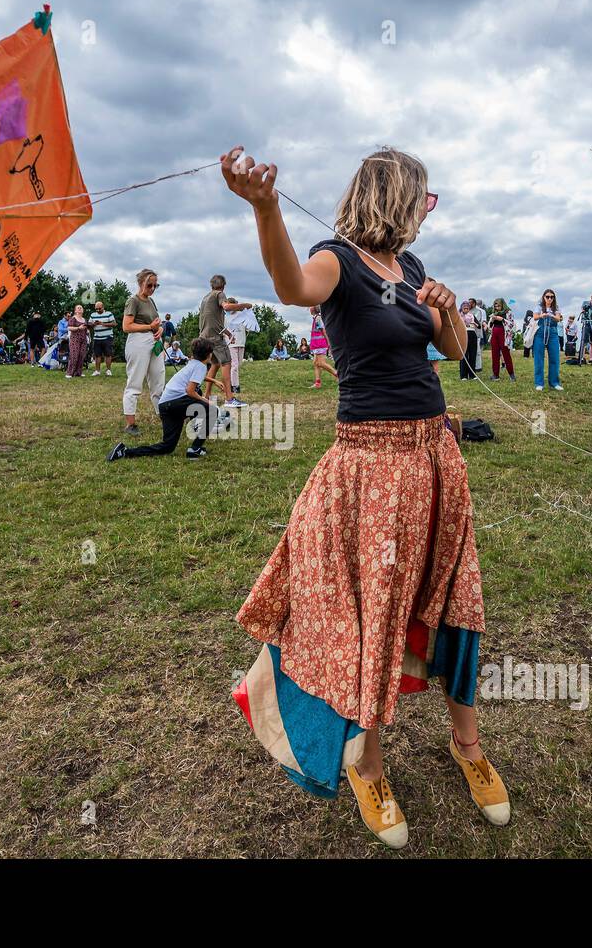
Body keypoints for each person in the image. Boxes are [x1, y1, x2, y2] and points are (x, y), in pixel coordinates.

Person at [220, 144, 507, 849]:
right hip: (370, 469)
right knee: (373, 617)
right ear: (396, 196)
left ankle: (466, 745)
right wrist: (265, 210)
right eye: (425, 199)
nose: (426, 213)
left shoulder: (410, 269)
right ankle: (366, 765)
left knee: (454, 602)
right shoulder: (335, 259)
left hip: (436, 456)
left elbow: (452, 353)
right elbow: (293, 289)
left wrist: (446, 310)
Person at [107, 338, 221, 461]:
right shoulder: (201, 367)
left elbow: (195, 378)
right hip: (176, 403)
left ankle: (124, 452)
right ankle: (195, 448)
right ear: (208, 354)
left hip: (165, 405)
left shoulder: (193, 363)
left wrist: (214, 381)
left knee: (167, 446)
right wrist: (206, 401)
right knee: (212, 410)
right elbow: (190, 391)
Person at [121, 269, 166, 436]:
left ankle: (164, 416)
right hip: (138, 343)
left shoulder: (151, 301)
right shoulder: (133, 301)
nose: (153, 288)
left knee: (158, 380)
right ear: (141, 283)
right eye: (149, 285)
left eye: (155, 285)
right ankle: (130, 424)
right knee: (135, 383)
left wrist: (160, 329)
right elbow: (126, 326)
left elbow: (156, 322)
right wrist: (150, 327)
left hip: (154, 342)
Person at [198, 275, 246, 408]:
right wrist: (242, 306)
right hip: (215, 338)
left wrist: (228, 332)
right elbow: (226, 307)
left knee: (214, 365)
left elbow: (211, 320)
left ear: (211, 285)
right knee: (226, 363)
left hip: (204, 336)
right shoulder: (220, 294)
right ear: (223, 285)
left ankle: (206, 396)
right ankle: (229, 398)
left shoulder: (205, 298)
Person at [224, 296, 257, 402]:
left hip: (241, 342)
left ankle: (232, 383)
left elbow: (248, 326)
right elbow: (223, 329)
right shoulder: (225, 317)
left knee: (239, 364)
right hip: (231, 343)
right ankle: (235, 386)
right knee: (234, 365)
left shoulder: (242, 316)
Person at [531, 288, 563, 390]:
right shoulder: (539, 306)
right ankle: (539, 383)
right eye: (547, 297)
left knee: (554, 358)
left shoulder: (556, 307)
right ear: (544, 297)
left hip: (552, 332)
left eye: (552, 297)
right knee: (539, 358)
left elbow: (558, 318)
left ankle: (554, 382)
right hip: (540, 332)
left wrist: (551, 315)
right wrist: (542, 315)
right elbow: (535, 316)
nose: (549, 299)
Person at [308, 305, 338, 388]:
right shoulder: (316, 318)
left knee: (321, 363)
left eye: (311, 307)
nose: (309, 309)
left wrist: (329, 343)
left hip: (320, 344)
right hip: (317, 344)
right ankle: (318, 383)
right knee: (315, 363)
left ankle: (337, 374)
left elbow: (324, 331)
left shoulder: (318, 318)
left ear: (314, 309)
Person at [488, 297, 515, 379]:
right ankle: (495, 375)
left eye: (498, 306)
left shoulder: (508, 312)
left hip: (503, 334)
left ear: (503, 305)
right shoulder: (494, 313)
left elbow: (511, 324)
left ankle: (511, 374)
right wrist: (492, 320)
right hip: (494, 334)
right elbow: (490, 326)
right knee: (494, 354)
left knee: (506, 353)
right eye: (495, 306)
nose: (497, 308)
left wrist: (502, 319)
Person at [89, 301, 116, 376]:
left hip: (107, 337)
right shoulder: (93, 315)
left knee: (108, 354)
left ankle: (108, 370)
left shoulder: (109, 314)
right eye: (96, 309)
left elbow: (114, 324)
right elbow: (89, 325)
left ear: (103, 307)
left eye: (99, 308)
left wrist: (102, 323)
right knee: (97, 355)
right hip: (97, 337)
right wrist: (94, 324)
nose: (97, 310)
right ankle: (97, 371)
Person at [65, 304, 89, 379]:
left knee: (81, 355)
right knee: (74, 355)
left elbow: (86, 329)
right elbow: (69, 328)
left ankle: (78, 372)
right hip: (74, 339)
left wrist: (87, 330)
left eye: (81, 308)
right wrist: (78, 328)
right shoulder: (73, 318)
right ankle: (70, 373)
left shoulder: (84, 319)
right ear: (75, 311)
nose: (80, 309)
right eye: (78, 308)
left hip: (83, 339)